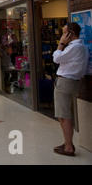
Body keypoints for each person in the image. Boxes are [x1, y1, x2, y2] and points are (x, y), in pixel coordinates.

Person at [52, 22, 88, 157]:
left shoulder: (74, 47)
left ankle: (68, 146)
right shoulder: (81, 47)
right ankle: (67, 142)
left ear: (70, 34)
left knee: (64, 114)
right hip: (70, 82)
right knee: (63, 113)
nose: (62, 36)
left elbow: (56, 58)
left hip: (66, 82)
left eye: (64, 33)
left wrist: (61, 44)